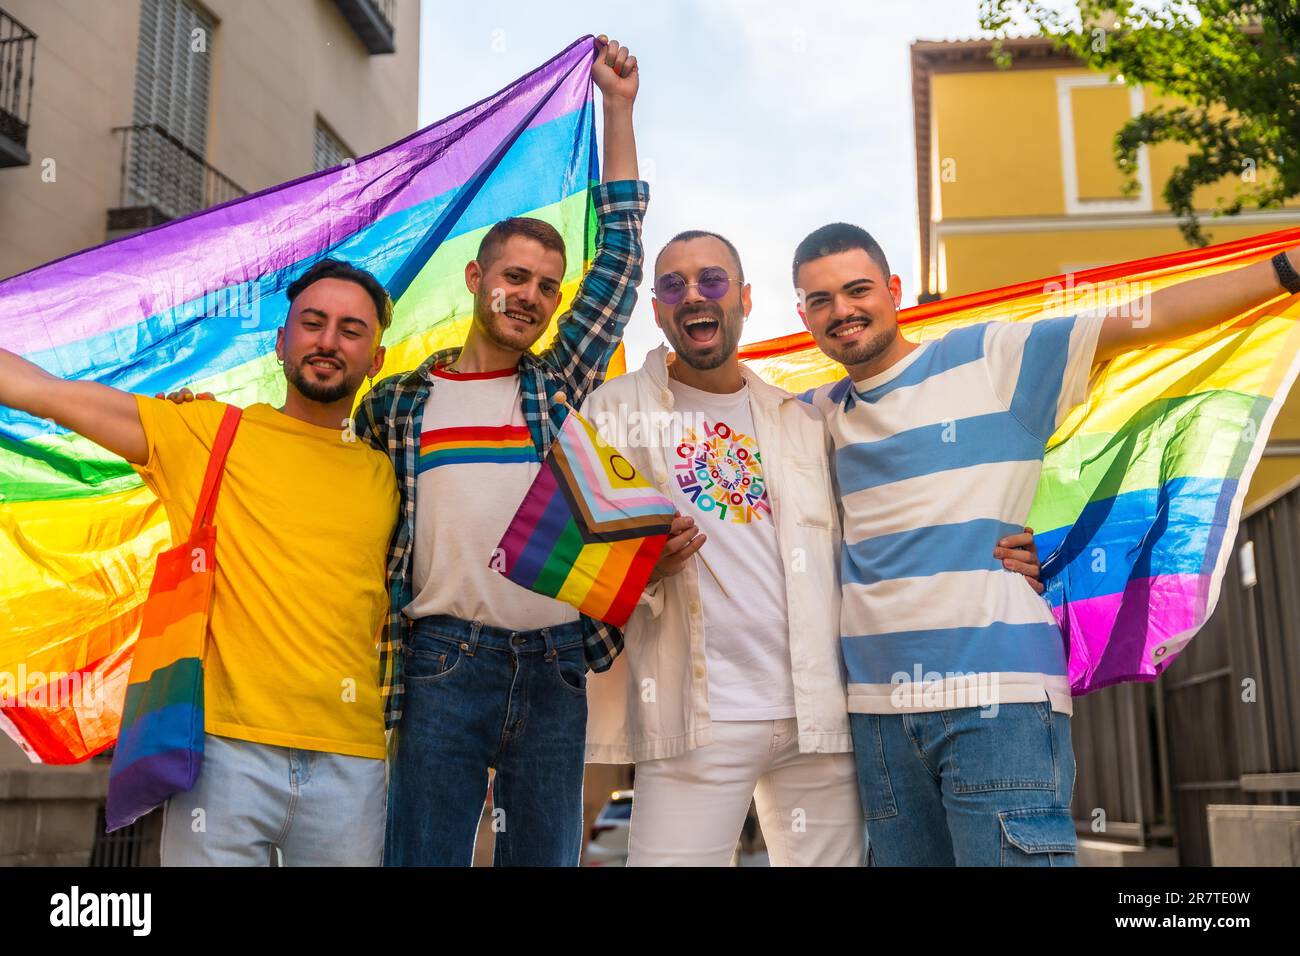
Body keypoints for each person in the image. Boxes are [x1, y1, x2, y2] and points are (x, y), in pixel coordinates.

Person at [795, 222, 1300, 866]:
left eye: (857, 289)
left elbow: (1146, 318)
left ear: (894, 290)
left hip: (997, 702)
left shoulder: (992, 357)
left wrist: (1285, 270)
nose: (842, 311)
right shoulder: (813, 418)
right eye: (820, 300)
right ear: (804, 315)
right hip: (875, 716)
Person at [582, 230, 1043, 866]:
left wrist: (1017, 536)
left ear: (743, 299)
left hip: (820, 712)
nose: (694, 295)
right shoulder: (611, 412)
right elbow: (571, 567)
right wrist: (643, 567)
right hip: (696, 719)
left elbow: (899, 490)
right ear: (657, 308)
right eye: (673, 285)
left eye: (711, 280)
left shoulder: (802, 418)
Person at [0, 258, 398, 865]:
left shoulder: (390, 473)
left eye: (351, 329)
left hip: (355, 763)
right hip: (222, 760)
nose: (327, 340)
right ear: (280, 342)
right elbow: (46, 395)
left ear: (377, 359)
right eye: (312, 323)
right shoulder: (208, 432)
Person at [358, 36, 649, 867]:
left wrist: (617, 107)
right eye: (515, 277)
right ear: (477, 279)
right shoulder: (399, 403)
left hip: (557, 663)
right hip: (441, 662)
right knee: (423, 856)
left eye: (547, 286)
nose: (529, 296)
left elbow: (623, 260)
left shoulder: (558, 381)